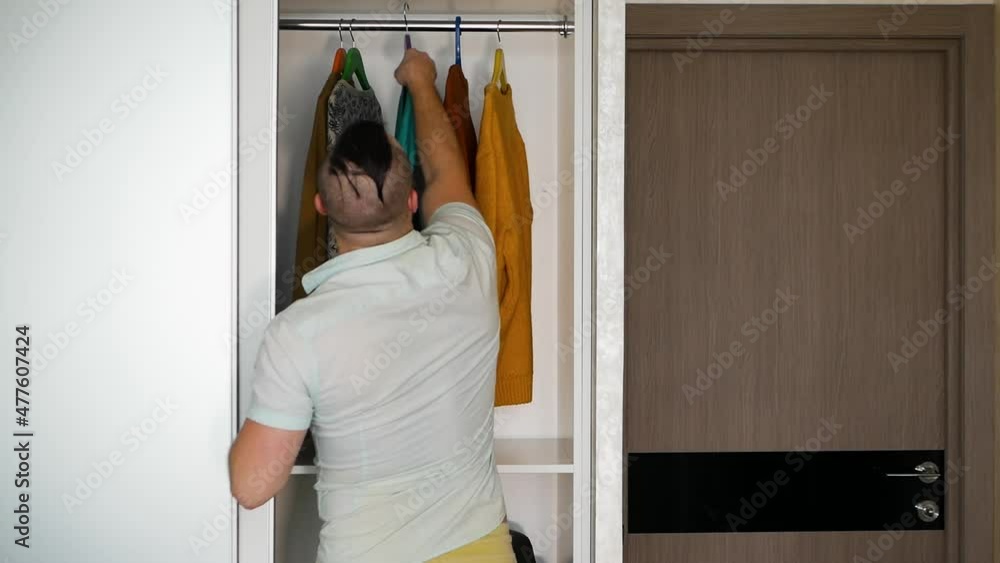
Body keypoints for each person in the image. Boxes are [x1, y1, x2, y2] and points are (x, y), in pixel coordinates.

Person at [229, 48, 514, 563]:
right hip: (480, 550)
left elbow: (253, 487)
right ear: (412, 202)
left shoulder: (298, 333)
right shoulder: (469, 256)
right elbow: (447, 168)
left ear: (321, 209)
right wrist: (422, 83)